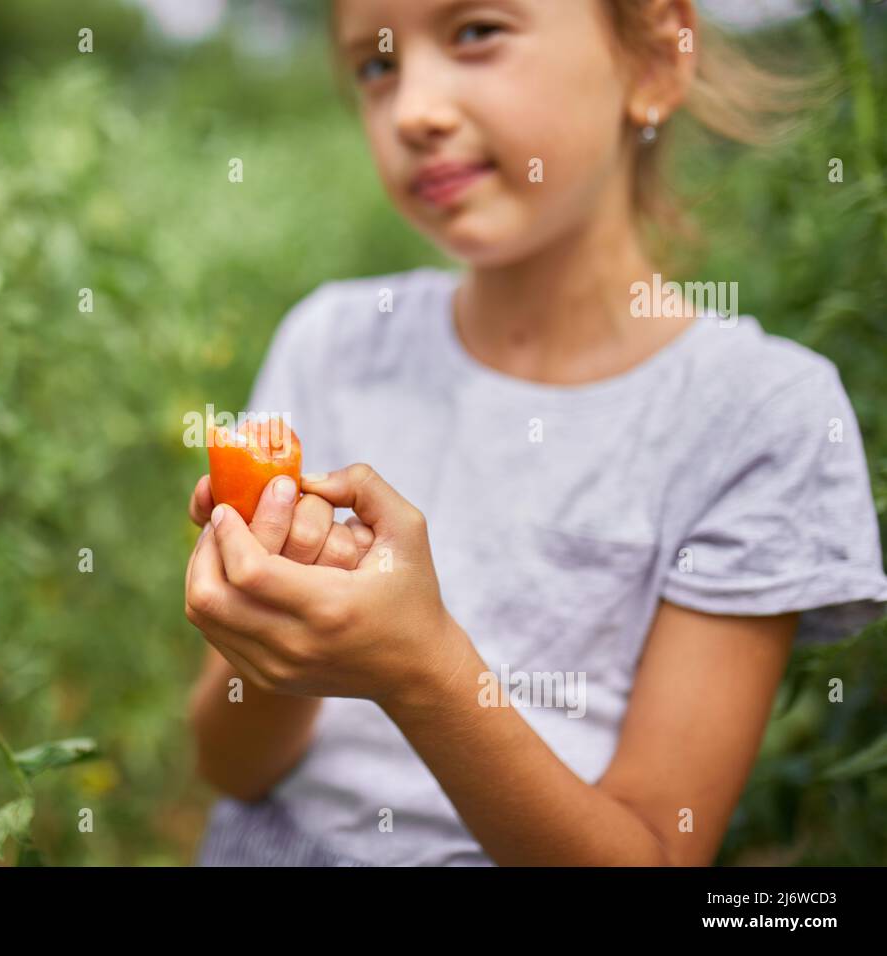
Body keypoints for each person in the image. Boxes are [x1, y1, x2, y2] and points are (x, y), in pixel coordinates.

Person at [183, 0, 887, 866]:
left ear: (658, 61)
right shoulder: (330, 345)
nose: (413, 111)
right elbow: (227, 765)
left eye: (476, 33)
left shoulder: (756, 414)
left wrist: (423, 671)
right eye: (376, 64)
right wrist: (281, 651)